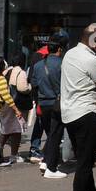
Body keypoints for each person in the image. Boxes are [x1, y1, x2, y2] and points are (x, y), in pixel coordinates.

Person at [59, 26, 96, 191]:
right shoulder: (92, 60)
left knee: (84, 160)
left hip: (70, 114)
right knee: (85, 163)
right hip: (86, 113)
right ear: (94, 42)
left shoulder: (70, 54)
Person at [33, 34, 67, 178]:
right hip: (57, 103)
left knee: (50, 133)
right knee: (55, 135)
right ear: (59, 49)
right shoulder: (62, 64)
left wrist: (36, 102)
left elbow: (34, 85)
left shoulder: (37, 65)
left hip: (43, 103)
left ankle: (46, 161)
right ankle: (51, 168)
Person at [0, 59, 30, 164]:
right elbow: (23, 88)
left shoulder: (6, 71)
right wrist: (29, 87)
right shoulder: (21, 72)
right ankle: (14, 155)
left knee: (5, 129)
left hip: (5, 104)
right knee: (16, 130)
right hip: (15, 104)